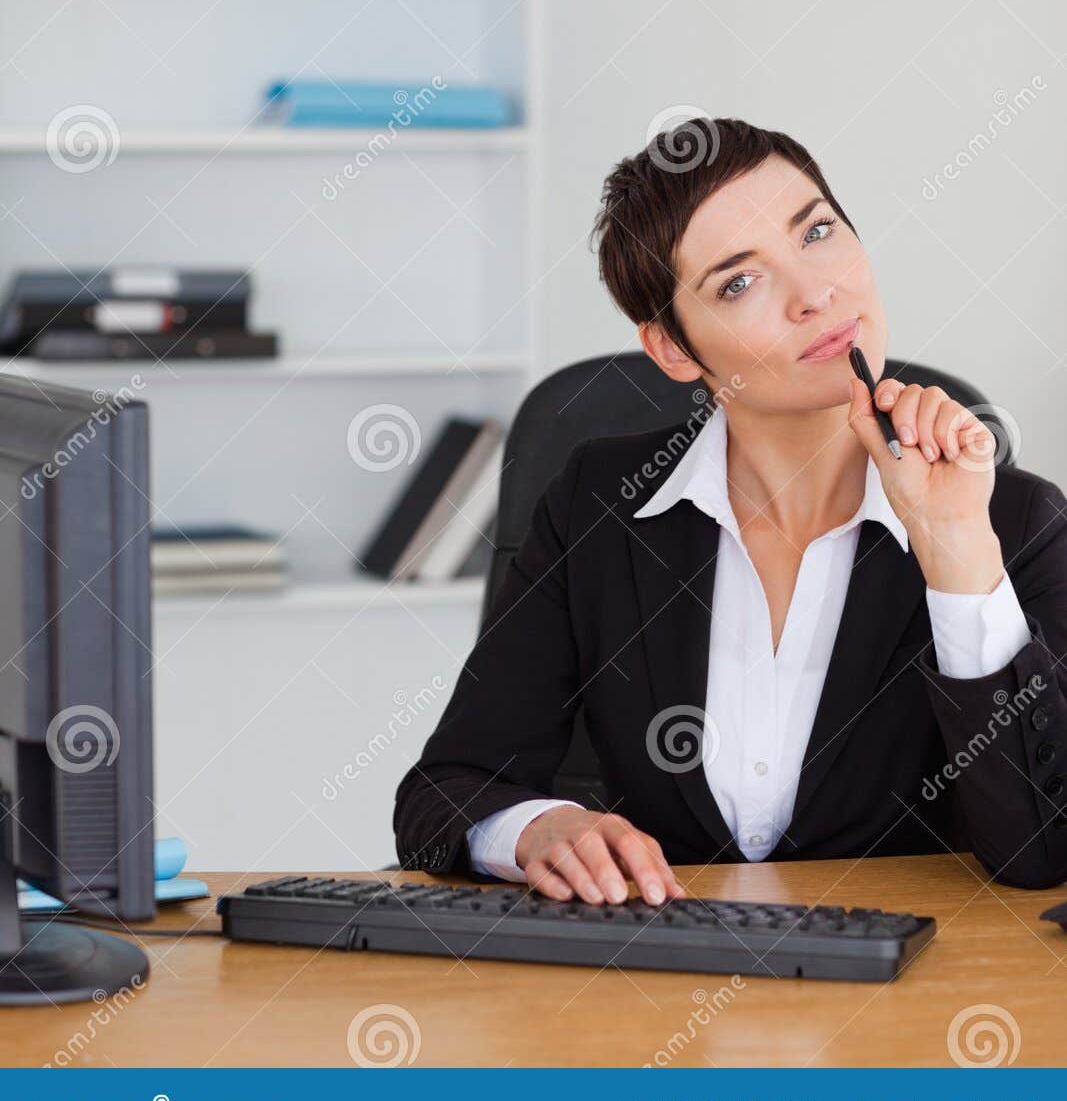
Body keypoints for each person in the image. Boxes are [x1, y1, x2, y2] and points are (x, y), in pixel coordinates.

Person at [394, 117, 1067, 900]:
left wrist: (954, 549)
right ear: (672, 349)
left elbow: (1042, 852)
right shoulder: (596, 504)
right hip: (660, 964)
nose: (814, 294)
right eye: (738, 282)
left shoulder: (1012, 522)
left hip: (921, 971)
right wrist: (536, 828)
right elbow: (445, 792)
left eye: (816, 232)